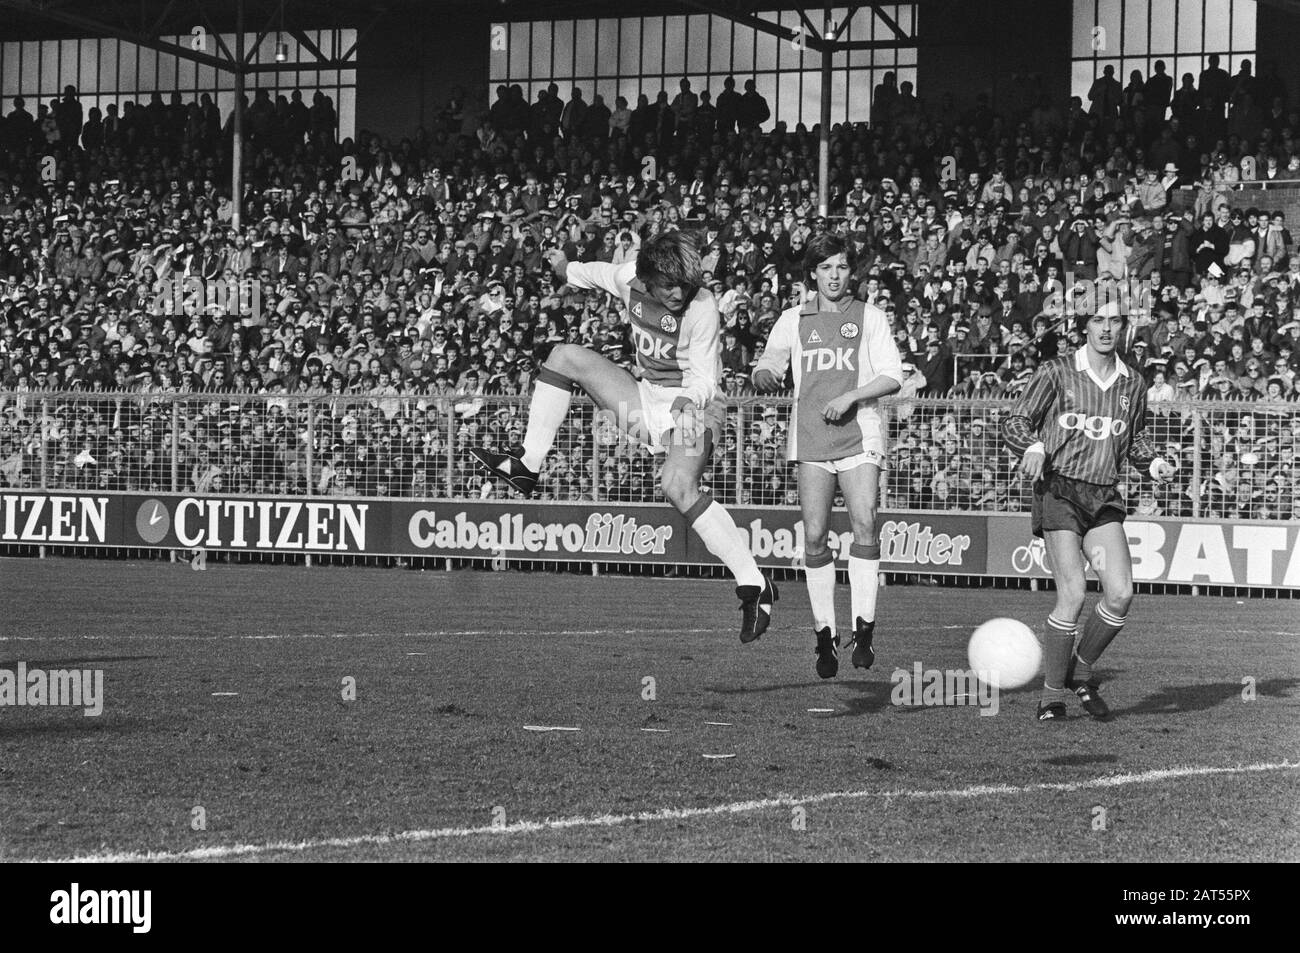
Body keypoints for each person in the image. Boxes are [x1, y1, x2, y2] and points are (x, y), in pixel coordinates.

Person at [469, 230, 778, 642]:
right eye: (670, 286)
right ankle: (527, 464)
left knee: (676, 484)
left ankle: (753, 584)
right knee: (562, 357)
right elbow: (593, 273)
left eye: (686, 284)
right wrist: (562, 268)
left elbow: (706, 375)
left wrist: (687, 402)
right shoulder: (629, 278)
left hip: (696, 405)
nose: (679, 293)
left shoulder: (702, 306)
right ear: (647, 278)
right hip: (644, 398)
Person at [1001, 302, 1177, 721]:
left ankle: (1081, 671)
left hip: (1103, 496)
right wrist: (1033, 446)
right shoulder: (1057, 370)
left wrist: (1154, 464)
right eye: (1098, 319)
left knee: (1120, 594)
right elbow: (1015, 422)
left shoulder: (1133, 382)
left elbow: (1133, 438)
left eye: (1114, 320)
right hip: (1059, 490)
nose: (1106, 327)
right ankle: (1051, 697)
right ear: (1085, 327)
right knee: (1074, 595)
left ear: (1123, 327)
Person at [752, 233, 903, 678]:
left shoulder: (869, 317)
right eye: (826, 268)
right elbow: (769, 363)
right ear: (812, 274)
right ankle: (824, 636)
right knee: (815, 536)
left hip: (860, 434)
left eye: (841, 267)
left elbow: (892, 375)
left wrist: (853, 397)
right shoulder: (794, 319)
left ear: (850, 272)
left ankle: (865, 628)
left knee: (864, 521)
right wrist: (763, 375)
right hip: (812, 438)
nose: (834, 276)